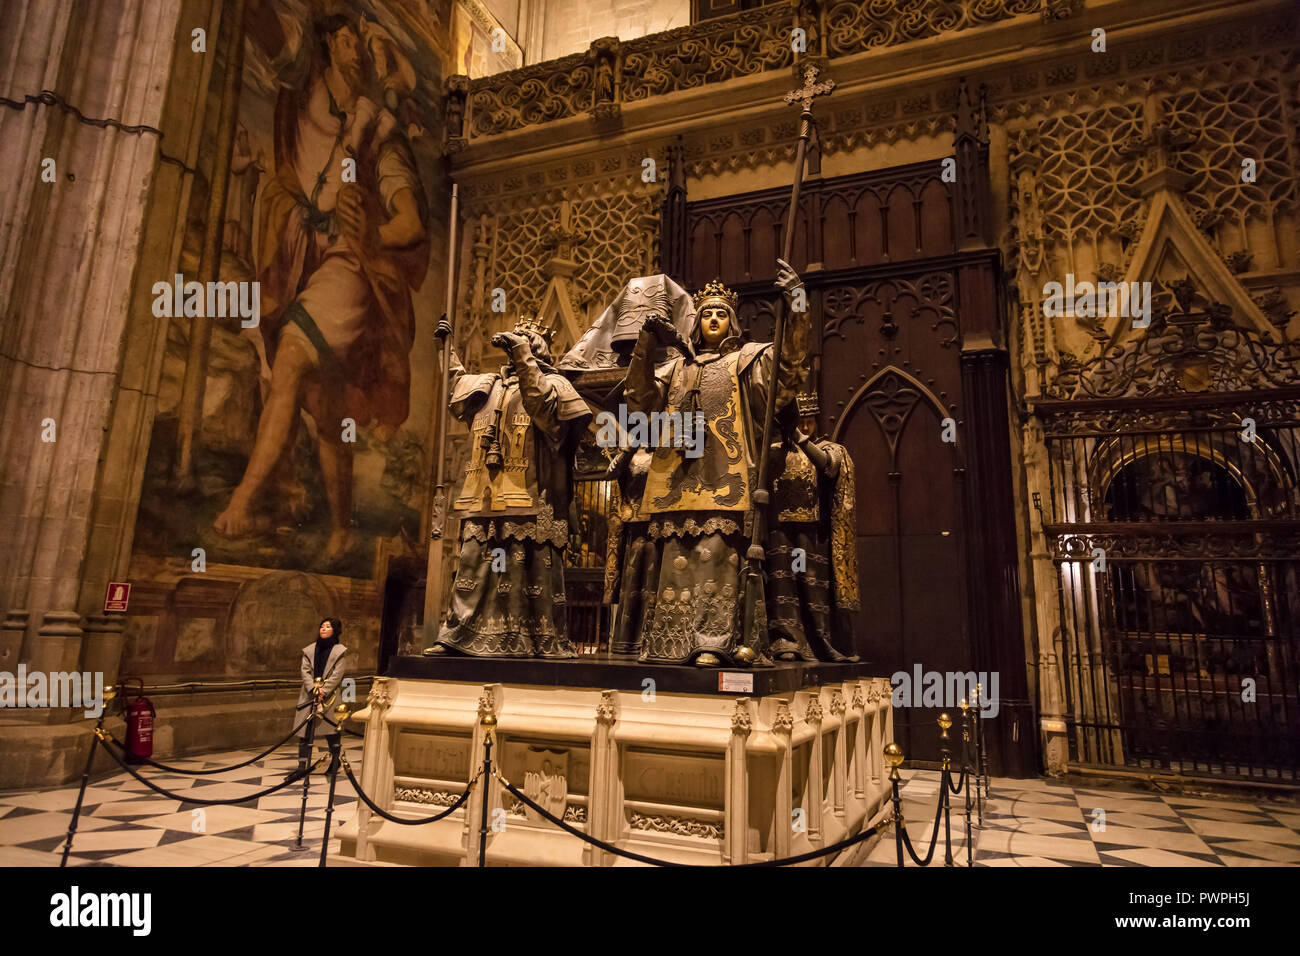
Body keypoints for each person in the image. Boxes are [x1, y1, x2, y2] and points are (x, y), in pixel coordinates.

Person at [619, 259, 809, 666]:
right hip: (676, 479)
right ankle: (669, 643)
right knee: (675, 561)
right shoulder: (674, 369)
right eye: (707, 314)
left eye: (723, 314)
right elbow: (640, 403)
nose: (714, 320)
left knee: (717, 559)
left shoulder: (748, 361)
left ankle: (713, 642)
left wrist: (796, 304)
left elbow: (788, 371)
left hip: (726, 477)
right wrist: (644, 346)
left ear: (734, 324)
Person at [424, 318, 592, 657]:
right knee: (475, 563)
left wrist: (521, 354)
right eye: (519, 338)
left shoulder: (555, 384)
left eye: (531, 340)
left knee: (525, 566)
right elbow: (457, 385)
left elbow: (543, 410)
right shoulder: (489, 385)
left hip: (534, 497)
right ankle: (459, 633)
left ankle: (531, 638)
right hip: (487, 495)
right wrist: (447, 350)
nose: (522, 342)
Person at [297, 617, 348, 771]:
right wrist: (314, 689)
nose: (323, 629)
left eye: (327, 626)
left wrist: (324, 690)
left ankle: (335, 762)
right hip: (309, 694)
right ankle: (301, 766)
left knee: (331, 731)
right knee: (304, 730)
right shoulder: (309, 650)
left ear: (335, 630)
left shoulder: (340, 652)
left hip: (329, 696)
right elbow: (305, 671)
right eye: (322, 626)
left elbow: (338, 674)